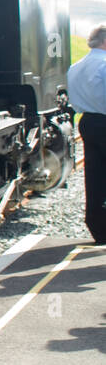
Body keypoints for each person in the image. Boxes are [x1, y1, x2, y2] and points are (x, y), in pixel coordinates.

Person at [67, 24, 106, 244]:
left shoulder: (76, 66)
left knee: (94, 174)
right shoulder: (104, 65)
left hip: (87, 121)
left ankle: (98, 225)